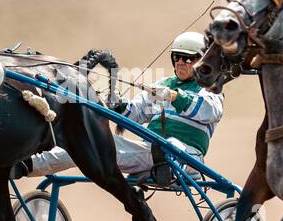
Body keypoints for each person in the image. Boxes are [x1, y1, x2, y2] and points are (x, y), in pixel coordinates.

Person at [17, 31, 224, 183]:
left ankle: (167, 169)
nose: (180, 62)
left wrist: (173, 96)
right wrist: (116, 104)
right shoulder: (162, 84)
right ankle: (25, 165)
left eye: (187, 58)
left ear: (202, 61)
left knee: (170, 145)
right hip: (151, 154)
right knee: (82, 145)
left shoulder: (209, 88)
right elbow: (133, 113)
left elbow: (209, 111)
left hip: (187, 157)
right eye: (177, 57)